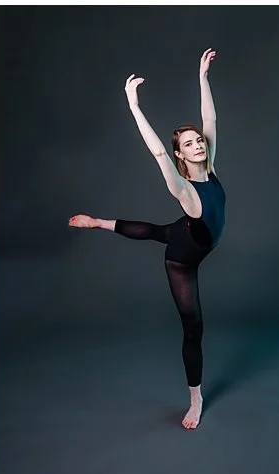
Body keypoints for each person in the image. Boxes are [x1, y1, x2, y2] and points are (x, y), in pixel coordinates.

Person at [68, 49, 226, 430]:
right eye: (189, 144)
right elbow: (157, 151)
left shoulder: (212, 165)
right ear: (180, 156)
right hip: (183, 259)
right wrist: (133, 105)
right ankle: (196, 397)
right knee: (193, 328)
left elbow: (210, 119)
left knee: (162, 230)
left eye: (198, 141)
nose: (198, 145)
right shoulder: (184, 188)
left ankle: (98, 222)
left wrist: (202, 77)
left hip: (189, 232)